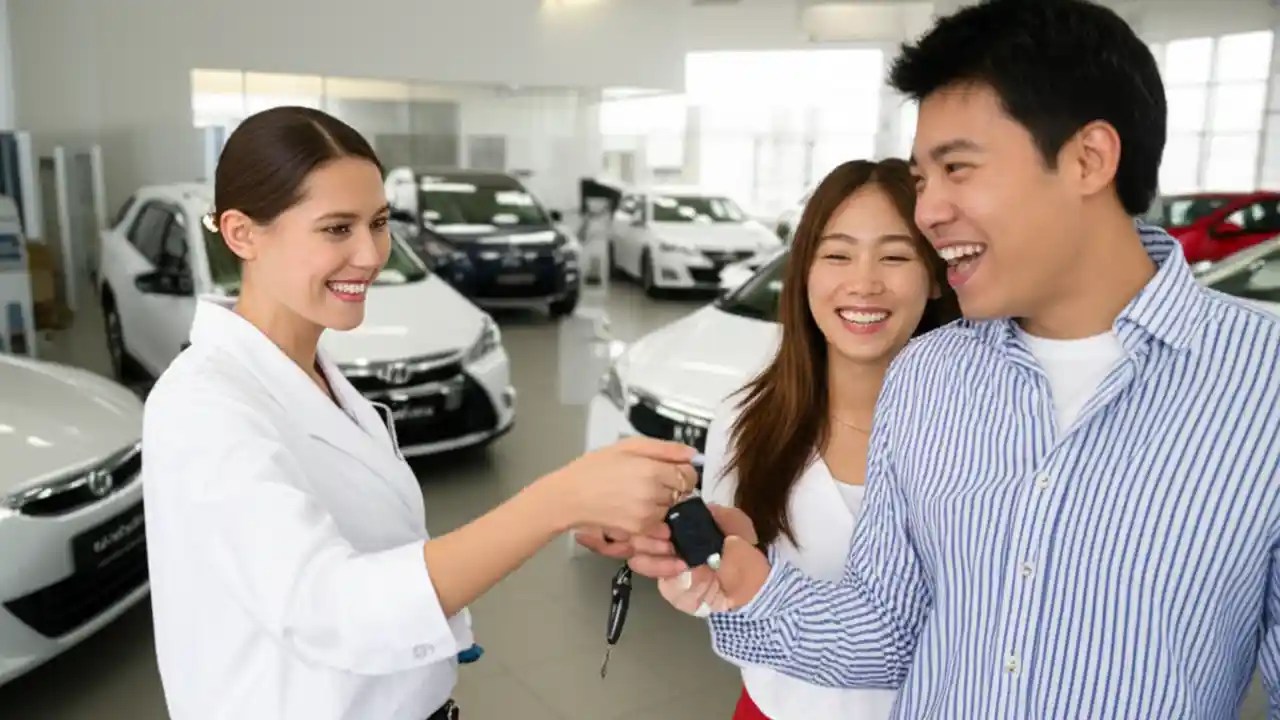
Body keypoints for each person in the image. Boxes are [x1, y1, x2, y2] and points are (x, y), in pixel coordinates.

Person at [629, 1, 1280, 717]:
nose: (930, 210)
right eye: (922, 179)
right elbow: (887, 630)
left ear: (1089, 159)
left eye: (957, 168)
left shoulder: (1262, 385)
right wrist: (752, 585)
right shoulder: (930, 374)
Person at [140, 106, 698, 720]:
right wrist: (555, 502)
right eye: (336, 229)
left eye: (378, 223)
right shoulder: (203, 408)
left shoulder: (314, 371)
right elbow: (334, 610)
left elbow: (382, 547)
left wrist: (586, 505)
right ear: (242, 233)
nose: (372, 254)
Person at [660, 158, 959, 719]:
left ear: (936, 274)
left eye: (895, 256)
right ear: (803, 274)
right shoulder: (745, 422)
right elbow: (728, 593)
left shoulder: (983, 432)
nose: (864, 283)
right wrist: (699, 584)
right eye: (837, 254)